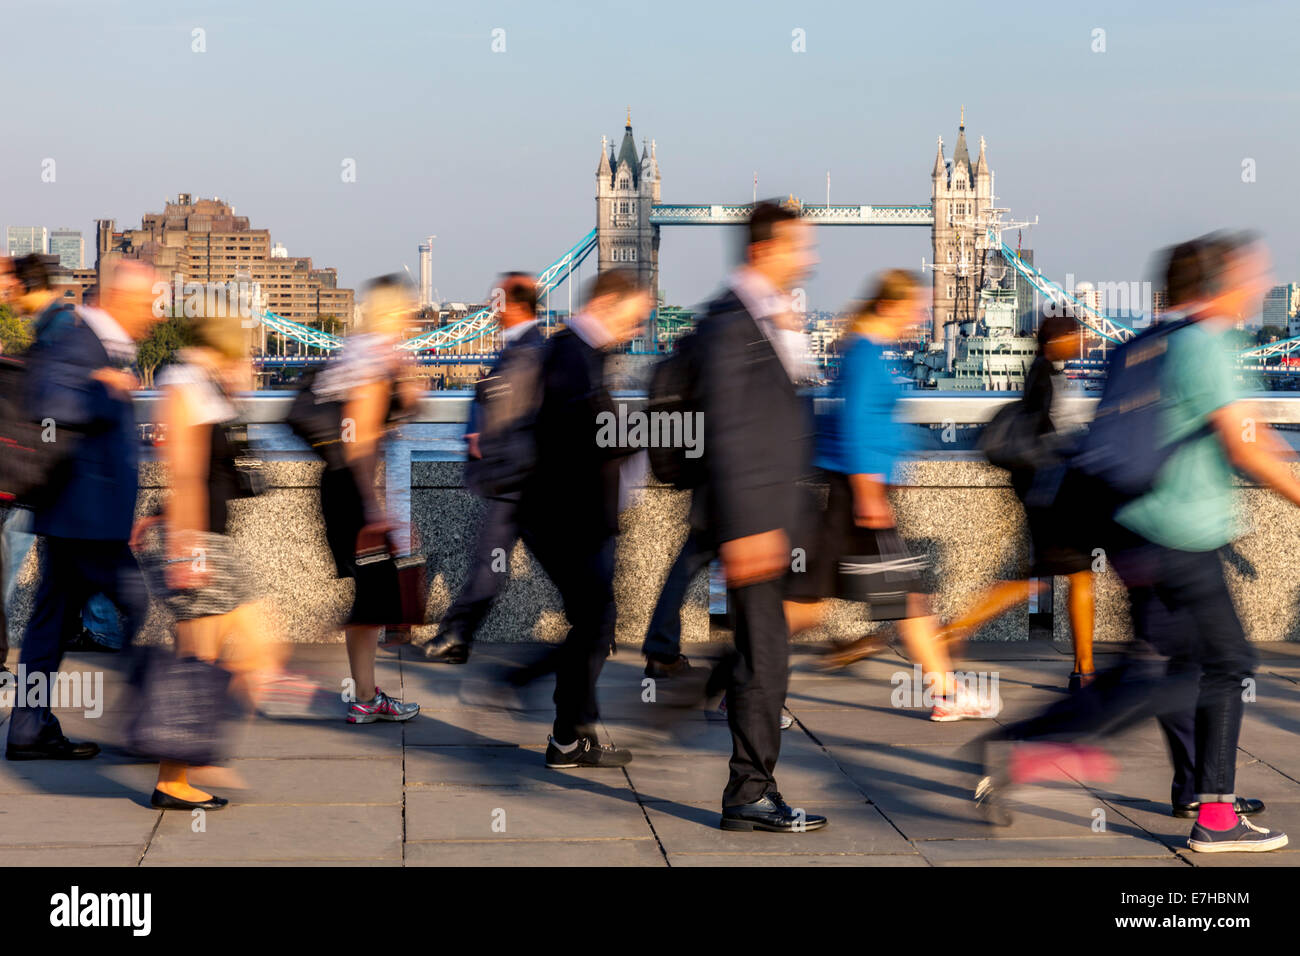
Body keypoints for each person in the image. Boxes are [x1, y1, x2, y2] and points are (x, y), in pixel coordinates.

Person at [978, 233, 1292, 853]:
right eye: (1249, 277)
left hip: (1131, 532)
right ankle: (1217, 815)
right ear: (1217, 284)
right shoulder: (1205, 344)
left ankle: (1035, 749)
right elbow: (1248, 442)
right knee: (1227, 663)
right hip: (1183, 537)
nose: (1257, 288)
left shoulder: (1138, 347)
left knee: (1159, 671)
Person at [786, 269, 1001, 723]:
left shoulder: (868, 349)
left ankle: (736, 681)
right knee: (904, 599)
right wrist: (871, 494)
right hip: (860, 497)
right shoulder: (866, 353)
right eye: (914, 307)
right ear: (889, 306)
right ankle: (946, 692)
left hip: (858, 492)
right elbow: (857, 424)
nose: (921, 315)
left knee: (813, 605)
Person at [694, 201, 827, 831]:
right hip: (755, 525)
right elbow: (726, 429)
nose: (811, 257)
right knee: (764, 661)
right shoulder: (728, 322)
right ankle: (747, 793)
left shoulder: (764, 316)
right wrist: (747, 524)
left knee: (762, 658)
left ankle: (749, 790)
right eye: (801, 245)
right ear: (766, 249)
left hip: (775, 520)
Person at [137, 311, 294, 810]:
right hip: (201, 544)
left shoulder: (204, 388)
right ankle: (175, 769)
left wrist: (161, 519)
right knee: (217, 659)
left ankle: (186, 757)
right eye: (243, 350)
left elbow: (206, 470)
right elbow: (184, 475)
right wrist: (185, 549)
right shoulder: (184, 390)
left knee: (231, 657)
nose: (249, 358)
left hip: (211, 542)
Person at [5, 257, 160, 760]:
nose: (154, 312)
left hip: (82, 514)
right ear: (120, 299)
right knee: (141, 608)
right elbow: (46, 402)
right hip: (84, 516)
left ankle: (29, 729)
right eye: (147, 301)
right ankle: (151, 727)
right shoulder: (79, 339)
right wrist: (101, 390)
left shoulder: (106, 345)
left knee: (49, 623)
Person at [515, 268, 650, 769]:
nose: (637, 330)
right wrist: (648, 433)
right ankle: (559, 725)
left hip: (578, 514)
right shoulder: (573, 356)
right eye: (636, 319)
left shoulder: (579, 352)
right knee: (595, 622)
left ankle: (573, 734)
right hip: (567, 516)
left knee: (595, 622)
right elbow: (584, 434)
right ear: (609, 304)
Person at [934, 306, 1097, 690]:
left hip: (1041, 495)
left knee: (1056, 577)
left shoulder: (1042, 371)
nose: (1082, 342)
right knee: (1053, 579)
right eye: (1076, 336)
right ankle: (954, 629)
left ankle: (1084, 670)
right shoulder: (1044, 376)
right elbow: (1040, 435)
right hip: (1050, 498)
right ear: (1060, 339)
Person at [313, 275, 422, 724]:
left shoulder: (363, 353)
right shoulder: (370, 362)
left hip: (342, 488)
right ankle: (363, 696)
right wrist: (374, 509)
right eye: (407, 311)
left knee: (370, 597)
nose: (412, 319)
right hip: (353, 491)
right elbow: (359, 442)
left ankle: (364, 696)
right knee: (373, 598)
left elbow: (407, 408)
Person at [424, 273, 543, 664]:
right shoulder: (520, 347)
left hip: (520, 479)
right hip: (513, 479)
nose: (491, 306)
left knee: (497, 562)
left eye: (497, 298)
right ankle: (456, 635)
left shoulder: (529, 351)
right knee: (490, 562)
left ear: (514, 306)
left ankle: (598, 629)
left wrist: (482, 440)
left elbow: (516, 411)